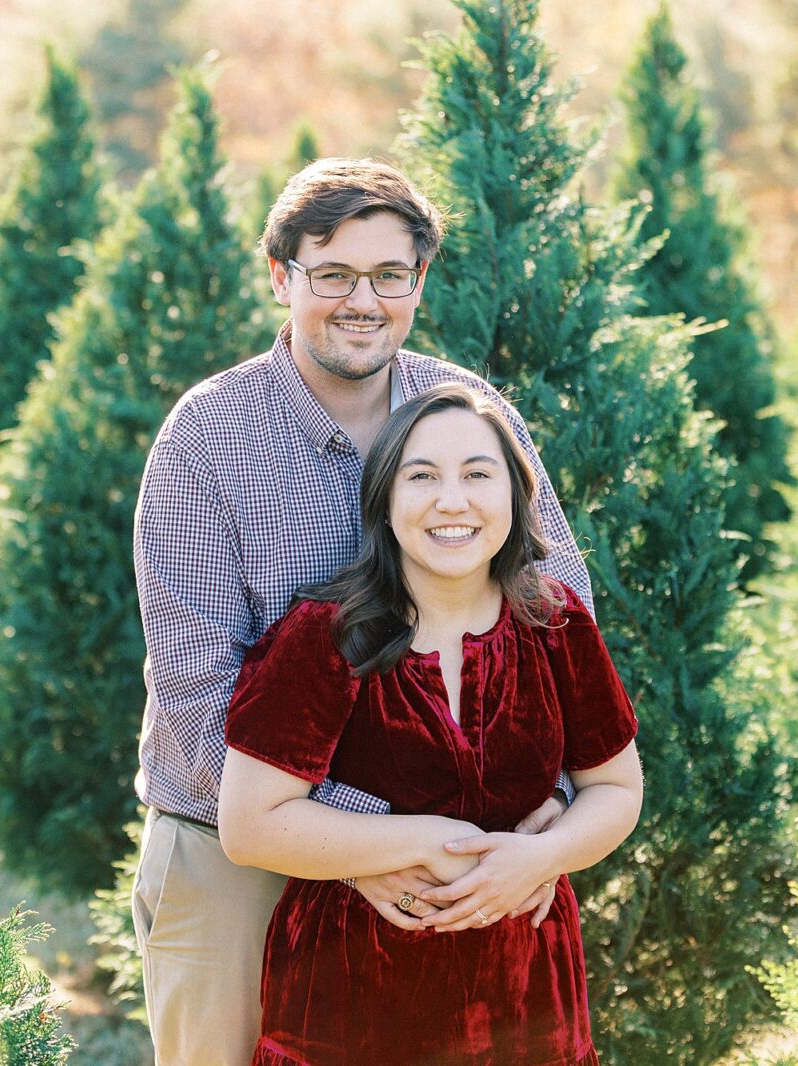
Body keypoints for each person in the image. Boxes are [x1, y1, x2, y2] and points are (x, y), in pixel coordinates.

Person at [131, 158, 592, 1064]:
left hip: (460, 858)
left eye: (390, 275)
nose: (363, 301)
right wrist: (363, 838)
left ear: (418, 281)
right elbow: (195, 697)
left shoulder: (467, 411)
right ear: (281, 278)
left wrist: (551, 809)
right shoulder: (206, 440)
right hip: (241, 863)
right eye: (332, 274)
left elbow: (556, 607)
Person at [219, 383, 644, 1065]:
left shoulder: (555, 622)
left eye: (479, 474)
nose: (453, 500)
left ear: (515, 496)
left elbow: (618, 789)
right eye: (422, 477)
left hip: (527, 1000)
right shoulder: (327, 636)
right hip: (351, 1003)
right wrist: (423, 840)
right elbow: (250, 824)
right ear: (386, 502)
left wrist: (545, 856)